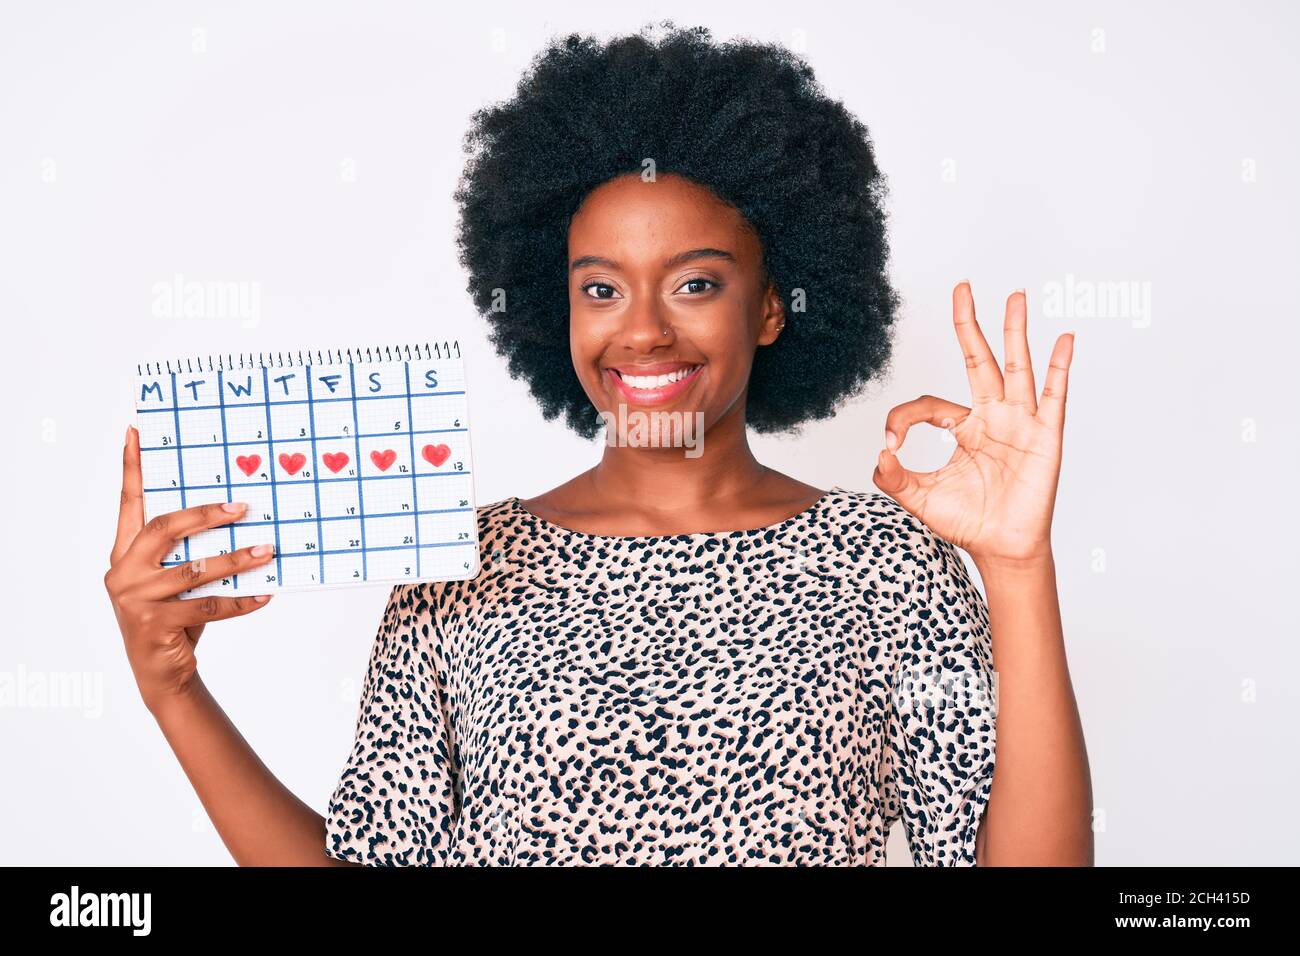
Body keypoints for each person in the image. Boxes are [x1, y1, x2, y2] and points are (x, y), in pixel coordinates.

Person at [104, 23, 1091, 866]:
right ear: (558, 306)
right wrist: (176, 691)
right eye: (600, 286)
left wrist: (1016, 566)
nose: (644, 331)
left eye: (696, 282)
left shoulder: (888, 564)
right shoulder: (458, 567)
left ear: (773, 310)